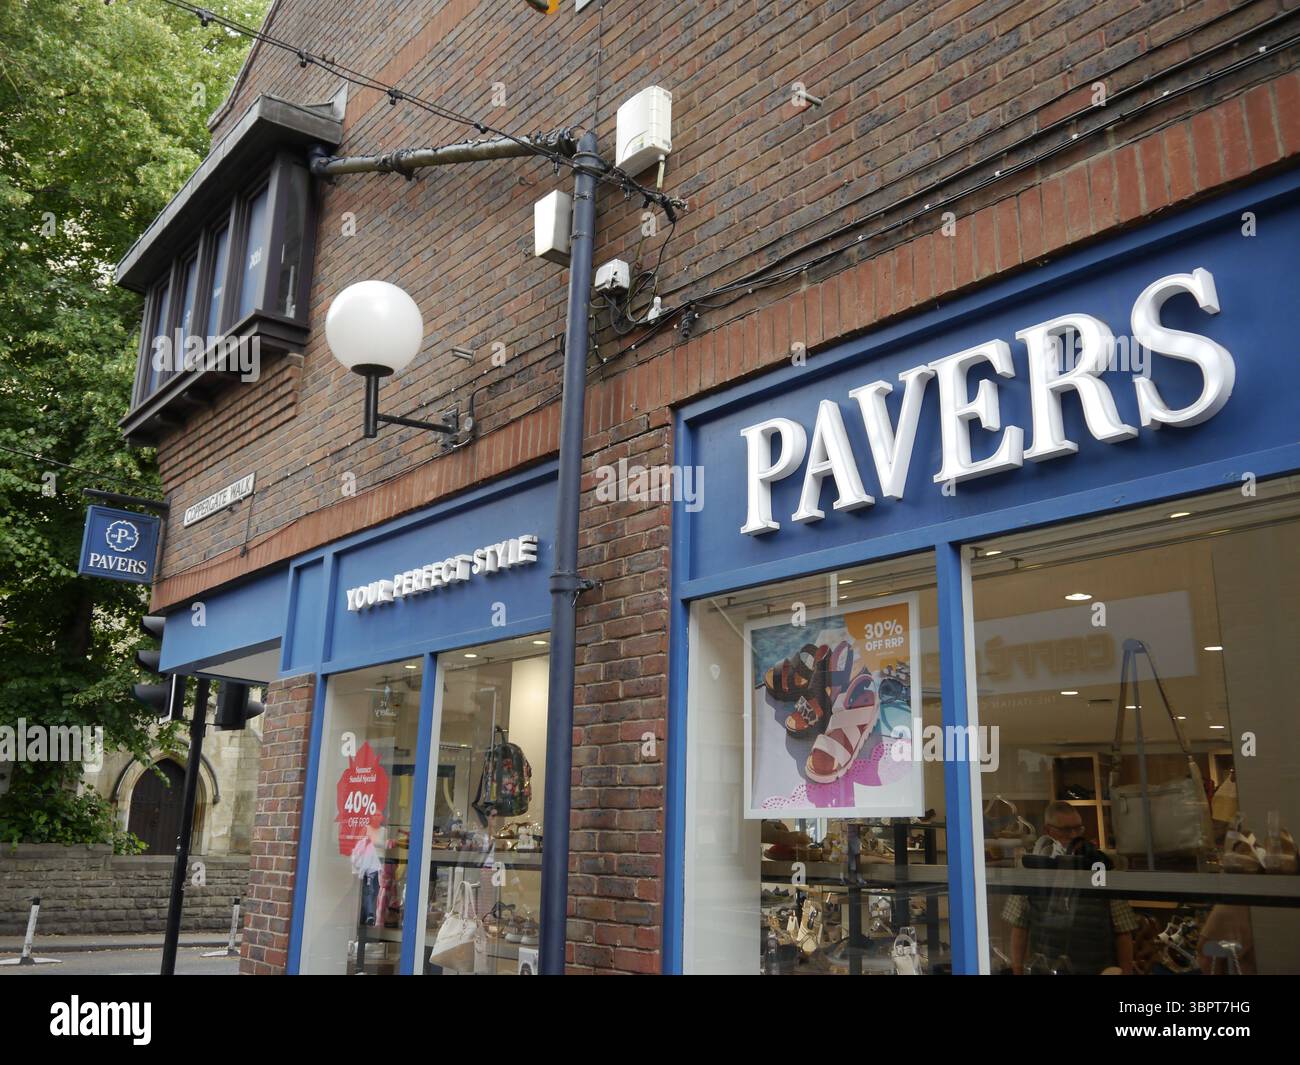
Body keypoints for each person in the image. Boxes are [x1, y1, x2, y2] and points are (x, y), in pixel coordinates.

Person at [1003, 801, 1138, 974]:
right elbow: (1019, 926)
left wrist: (1126, 972)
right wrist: (1017, 970)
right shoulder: (1032, 869)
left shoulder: (1101, 867)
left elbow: (1123, 930)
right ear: (1048, 831)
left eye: (1078, 829)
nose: (1074, 836)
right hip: (1046, 968)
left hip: (1096, 968)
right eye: (1066, 830)